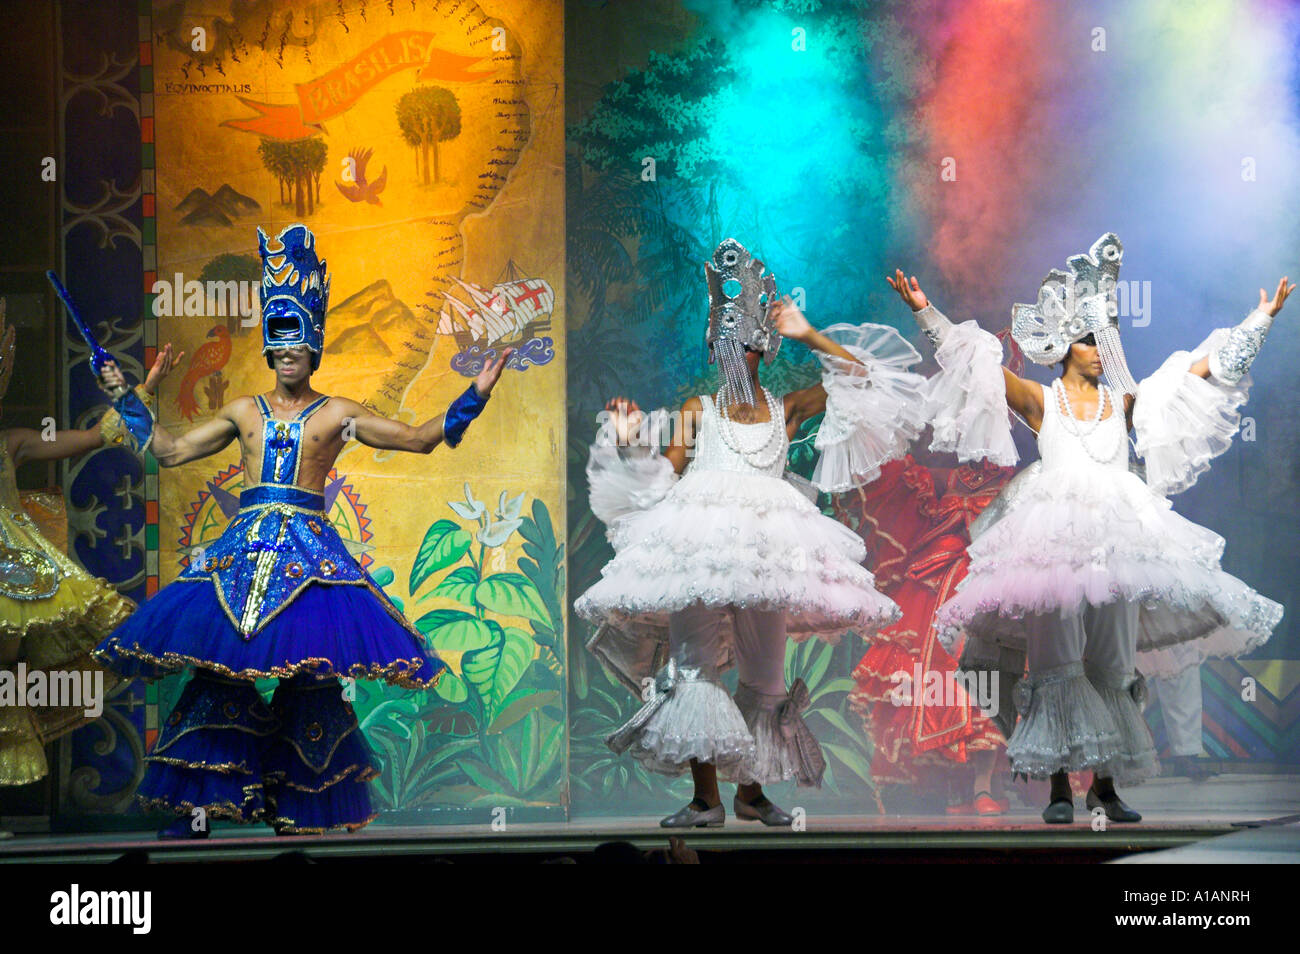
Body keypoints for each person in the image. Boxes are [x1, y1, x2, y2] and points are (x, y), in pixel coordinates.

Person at [92, 224, 509, 837]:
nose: (287, 350)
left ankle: (303, 809)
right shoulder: (242, 411)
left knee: (311, 678)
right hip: (241, 552)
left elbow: (419, 440)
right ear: (267, 345)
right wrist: (127, 396)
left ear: (314, 345)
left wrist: (471, 398)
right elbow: (172, 452)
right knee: (219, 672)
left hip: (309, 559)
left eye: (297, 340)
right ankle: (201, 810)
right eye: (278, 339)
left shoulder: (339, 414)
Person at [886, 232, 1287, 824]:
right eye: (1090, 340)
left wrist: (1261, 316)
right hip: (1052, 543)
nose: (1102, 350)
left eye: (1104, 340)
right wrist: (925, 311)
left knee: (1113, 663)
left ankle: (1104, 784)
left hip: (1120, 543)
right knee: (1056, 660)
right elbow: (978, 372)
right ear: (1066, 346)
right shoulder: (1041, 401)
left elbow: (1203, 371)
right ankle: (1057, 787)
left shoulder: (1125, 403)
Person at [576, 238, 928, 828]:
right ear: (716, 349)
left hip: (767, 553)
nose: (734, 355)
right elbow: (661, 480)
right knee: (694, 666)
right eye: (725, 345)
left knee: (764, 673)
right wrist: (628, 439)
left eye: (744, 344)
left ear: (762, 347)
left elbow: (865, 381)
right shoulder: (699, 407)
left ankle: (751, 793)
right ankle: (706, 799)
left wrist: (808, 333)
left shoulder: (786, 409)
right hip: (701, 549)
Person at [0, 298, 165, 825]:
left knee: (7, 667)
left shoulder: (13, 444)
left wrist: (137, 392)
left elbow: (97, 436)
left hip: (13, 575)